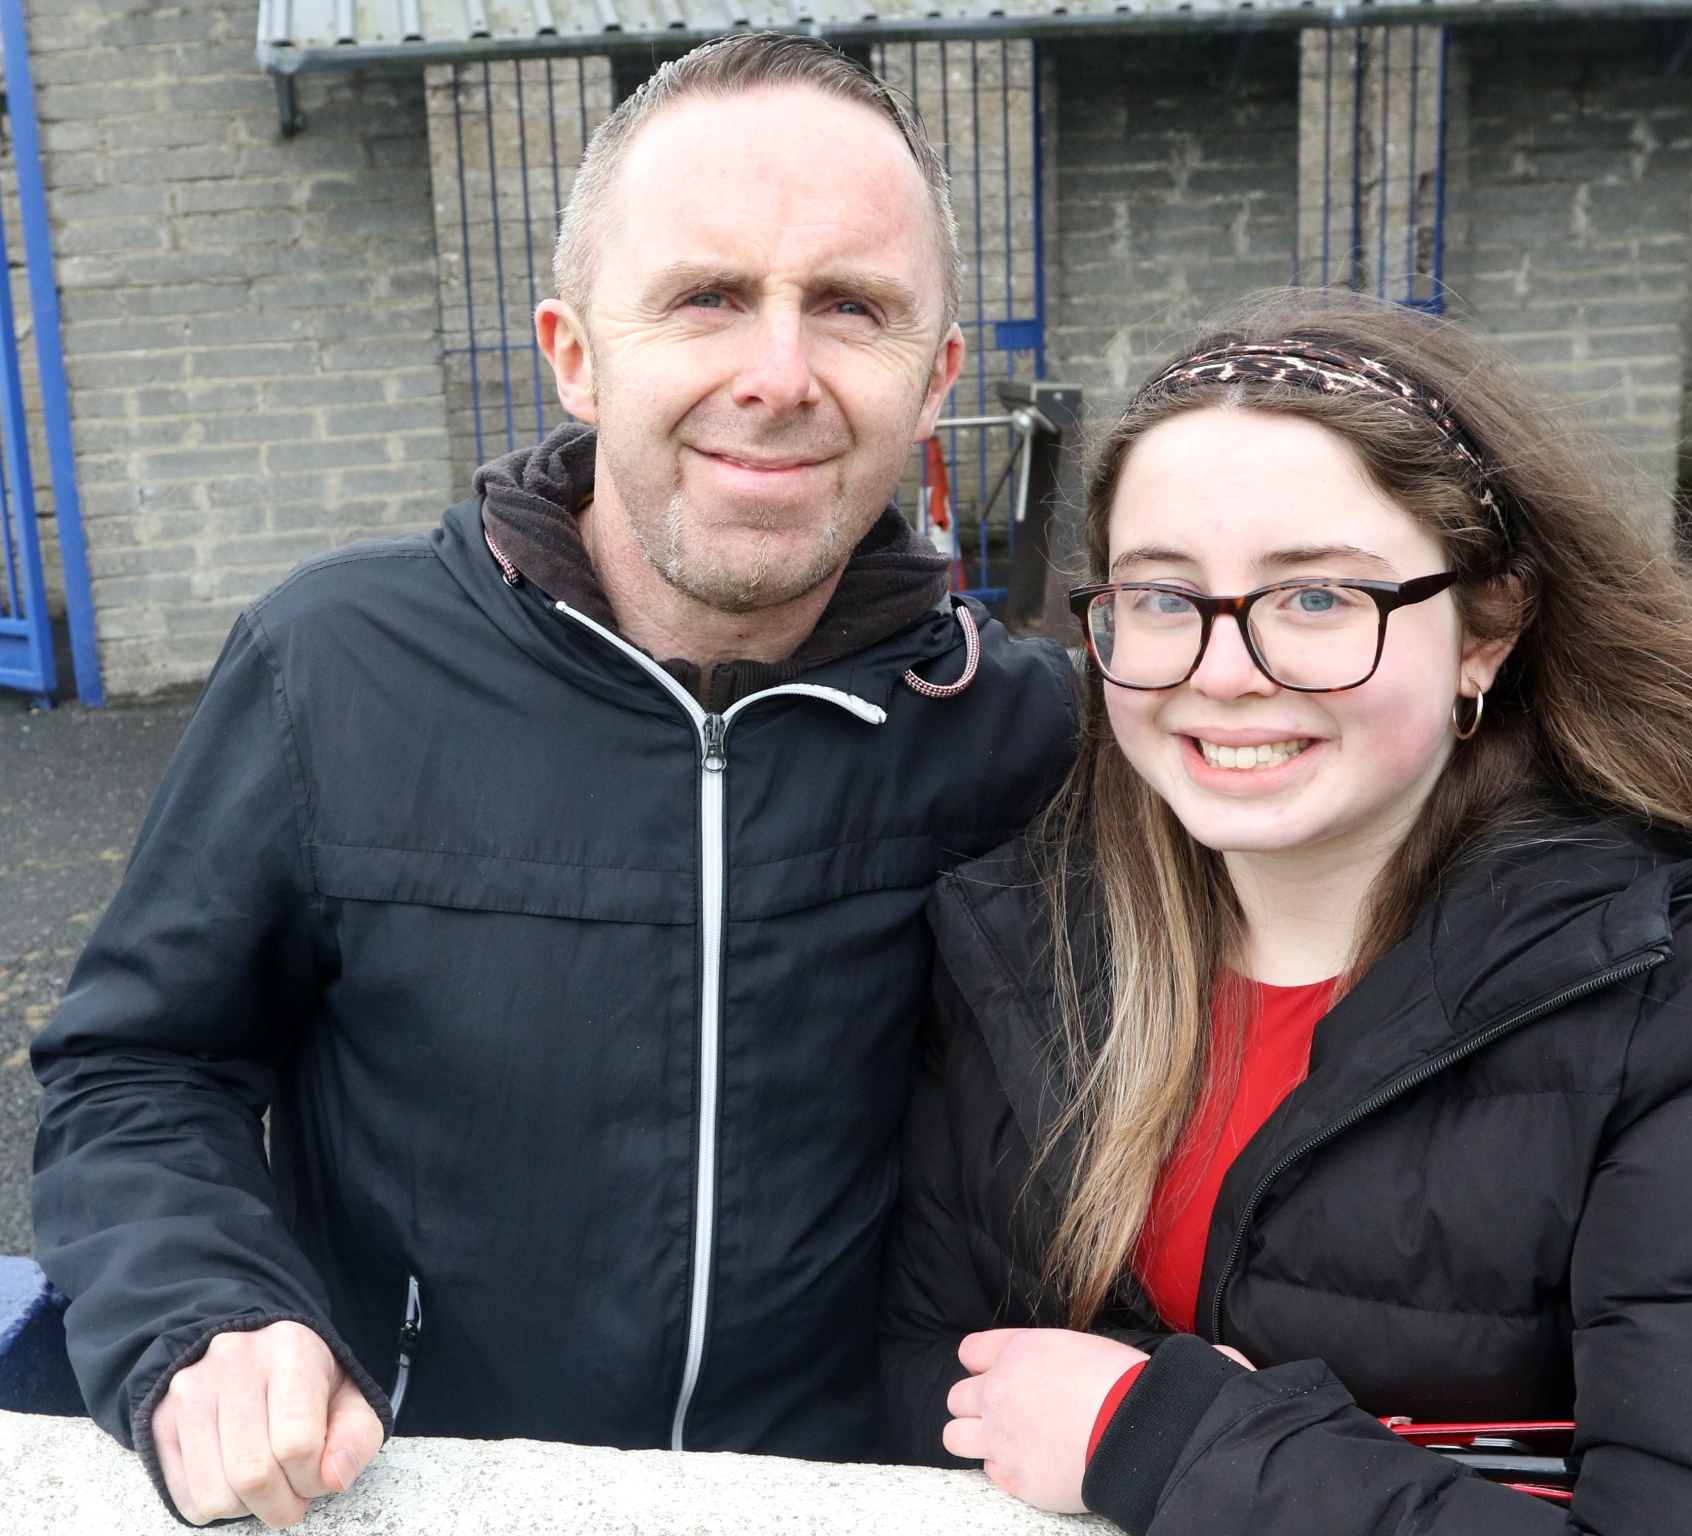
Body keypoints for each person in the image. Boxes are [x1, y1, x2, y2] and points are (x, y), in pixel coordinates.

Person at [31, 34, 1077, 1530]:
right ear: (576, 353)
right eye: (707, 296)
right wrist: (205, 1312)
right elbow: (141, 1069)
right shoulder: (334, 667)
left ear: (936, 377)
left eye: (852, 306)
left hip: (859, 1498)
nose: (777, 375)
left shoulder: (1027, 732)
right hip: (417, 1488)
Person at [880, 288, 1692, 1534]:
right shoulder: (1028, 950)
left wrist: (1161, 1438)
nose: (1223, 672)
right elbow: (947, 1399)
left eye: (1317, 598)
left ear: (1486, 630)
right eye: (1162, 597)